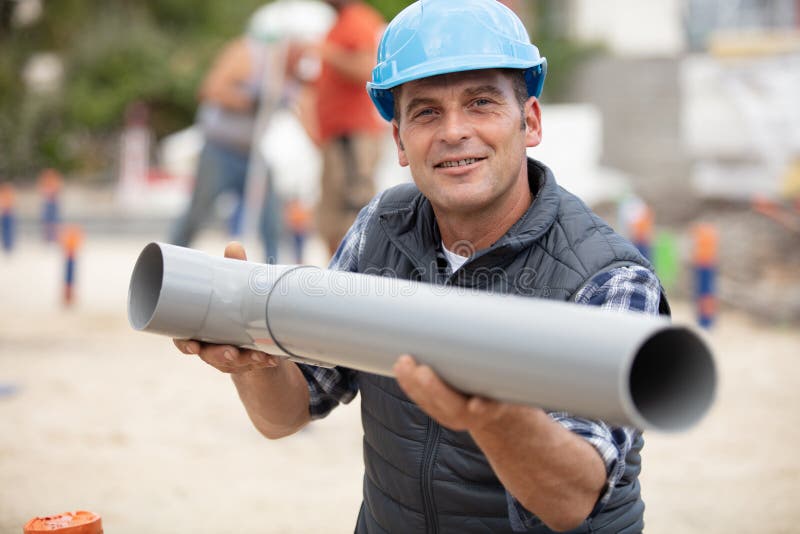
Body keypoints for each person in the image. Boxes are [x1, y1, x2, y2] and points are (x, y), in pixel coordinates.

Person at [173, 1, 669, 532]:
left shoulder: (610, 279)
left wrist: (491, 411)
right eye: (427, 112)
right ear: (400, 141)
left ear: (530, 122)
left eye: (481, 103)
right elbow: (288, 414)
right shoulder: (379, 229)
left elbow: (572, 500)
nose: (454, 131)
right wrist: (258, 360)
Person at [168, 29, 282, 263]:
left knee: (271, 218)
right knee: (197, 213)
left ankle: (274, 275)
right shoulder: (249, 55)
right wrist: (249, 101)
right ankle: (169, 263)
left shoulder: (290, 76)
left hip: (252, 155)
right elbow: (210, 89)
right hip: (221, 149)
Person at [304, 0, 385, 255]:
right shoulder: (340, 23)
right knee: (332, 216)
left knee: (350, 214)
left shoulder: (357, 20)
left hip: (352, 135)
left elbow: (366, 68)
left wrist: (328, 53)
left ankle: (350, 284)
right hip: (339, 136)